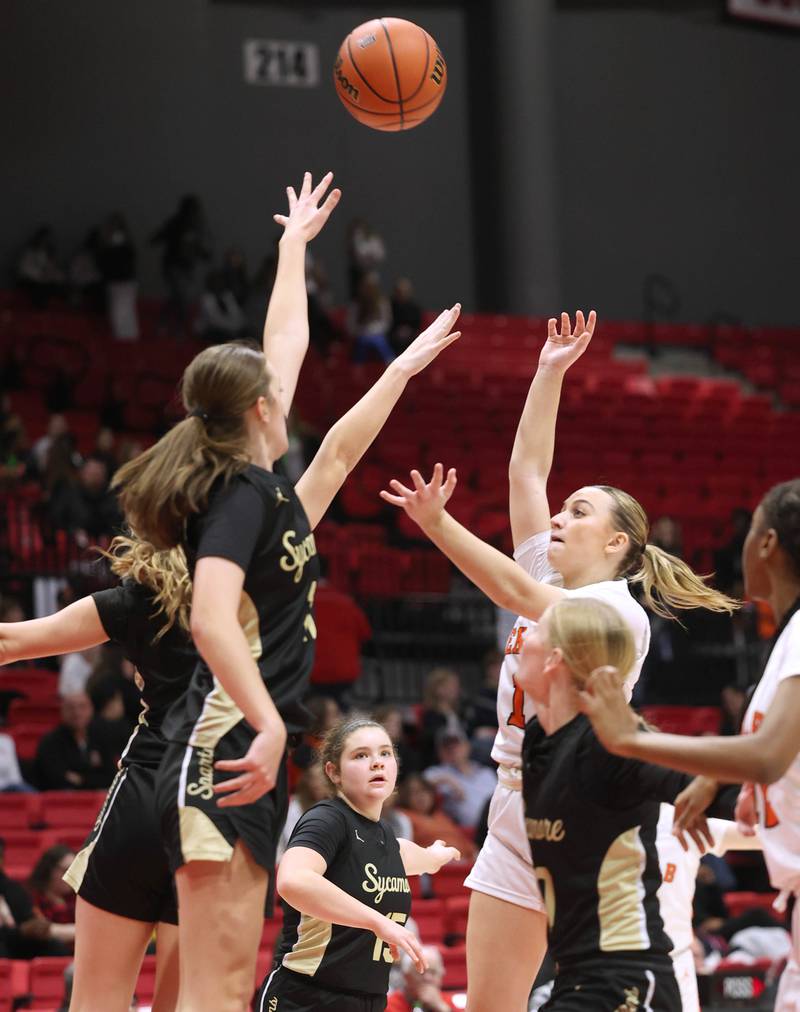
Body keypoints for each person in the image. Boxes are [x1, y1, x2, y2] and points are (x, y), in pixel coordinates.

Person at [113, 171, 462, 1012]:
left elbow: (323, 422)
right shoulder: (241, 499)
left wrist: (295, 250)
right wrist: (270, 722)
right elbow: (212, 614)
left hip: (231, 750)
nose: (287, 386)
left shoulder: (266, 500)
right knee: (216, 989)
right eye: (275, 389)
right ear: (261, 410)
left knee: (208, 987)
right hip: (226, 744)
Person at [380, 311, 739, 1011]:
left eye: (578, 512)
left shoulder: (619, 612)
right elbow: (526, 469)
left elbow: (512, 591)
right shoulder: (552, 576)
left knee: (606, 989)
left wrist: (439, 523)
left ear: (616, 543)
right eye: (563, 510)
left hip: (589, 807)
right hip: (514, 799)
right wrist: (549, 372)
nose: (557, 518)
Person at [579, 477, 800, 1011]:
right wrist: (716, 776)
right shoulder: (787, 637)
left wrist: (631, 739)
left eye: (750, 531)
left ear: (768, 543)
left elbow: (767, 755)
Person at [0, 536, 195, 1011]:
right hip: (217, 802)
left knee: (95, 1003)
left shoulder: (136, 600)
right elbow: (322, 480)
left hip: (148, 787)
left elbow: (10, 641)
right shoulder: (258, 594)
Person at [519, 598, 692, 1009]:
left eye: (536, 630)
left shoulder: (608, 744)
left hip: (626, 980)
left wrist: (708, 782)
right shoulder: (538, 740)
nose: (523, 637)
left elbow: (718, 789)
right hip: (575, 979)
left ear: (555, 659)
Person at [256, 716, 460, 1011]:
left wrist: (435, 857)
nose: (377, 763)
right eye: (361, 755)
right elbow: (292, 881)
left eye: (385, 753)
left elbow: (409, 856)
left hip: (368, 1000)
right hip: (306, 996)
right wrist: (378, 922)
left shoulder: (386, 838)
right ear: (334, 772)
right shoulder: (328, 819)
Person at [0, 838, 71, 959]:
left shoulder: (13, 890)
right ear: (50, 871)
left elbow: (31, 926)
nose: (70, 875)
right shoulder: (36, 896)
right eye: (65, 869)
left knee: (56, 948)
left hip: (17, 945)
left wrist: (27, 930)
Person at [34, 692, 117, 791]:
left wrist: (81, 779)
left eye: (82, 707)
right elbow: (56, 778)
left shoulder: (102, 737)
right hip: (63, 797)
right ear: (62, 711)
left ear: (91, 710)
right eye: (71, 708)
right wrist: (91, 779)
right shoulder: (50, 741)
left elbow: (111, 776)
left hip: (98, 796)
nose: (77, 713)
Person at [423, 728, 497, 830]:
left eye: (456, 745)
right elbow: (420, 785)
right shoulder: (437, 772)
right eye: (447, 747)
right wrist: (447, 780)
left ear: (467, 747)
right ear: (440, 752)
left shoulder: (486, 772)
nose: (452, 749)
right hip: (470, 830)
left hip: (499, 823)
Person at [395, 774, 476, 859]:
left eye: (424, 790)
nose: (421, 796)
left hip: (465, 862)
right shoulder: (402, 817)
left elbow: (463, 841)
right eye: (414, 793)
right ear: (405, 797)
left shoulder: (441, 816)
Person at [28, 845, 77, 951]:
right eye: (66, 870)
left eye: (74, 871)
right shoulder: (33, 898)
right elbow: (41, 930)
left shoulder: (78, 898)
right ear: (50, 870)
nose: (72, 876)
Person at [386, 945, 453, 1012]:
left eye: (433, 972)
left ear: (441, 975)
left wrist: (441, 1008)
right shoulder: (388, 1005)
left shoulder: (451, 1002)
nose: (427, 978)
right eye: (421, 972)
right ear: (406, 977)